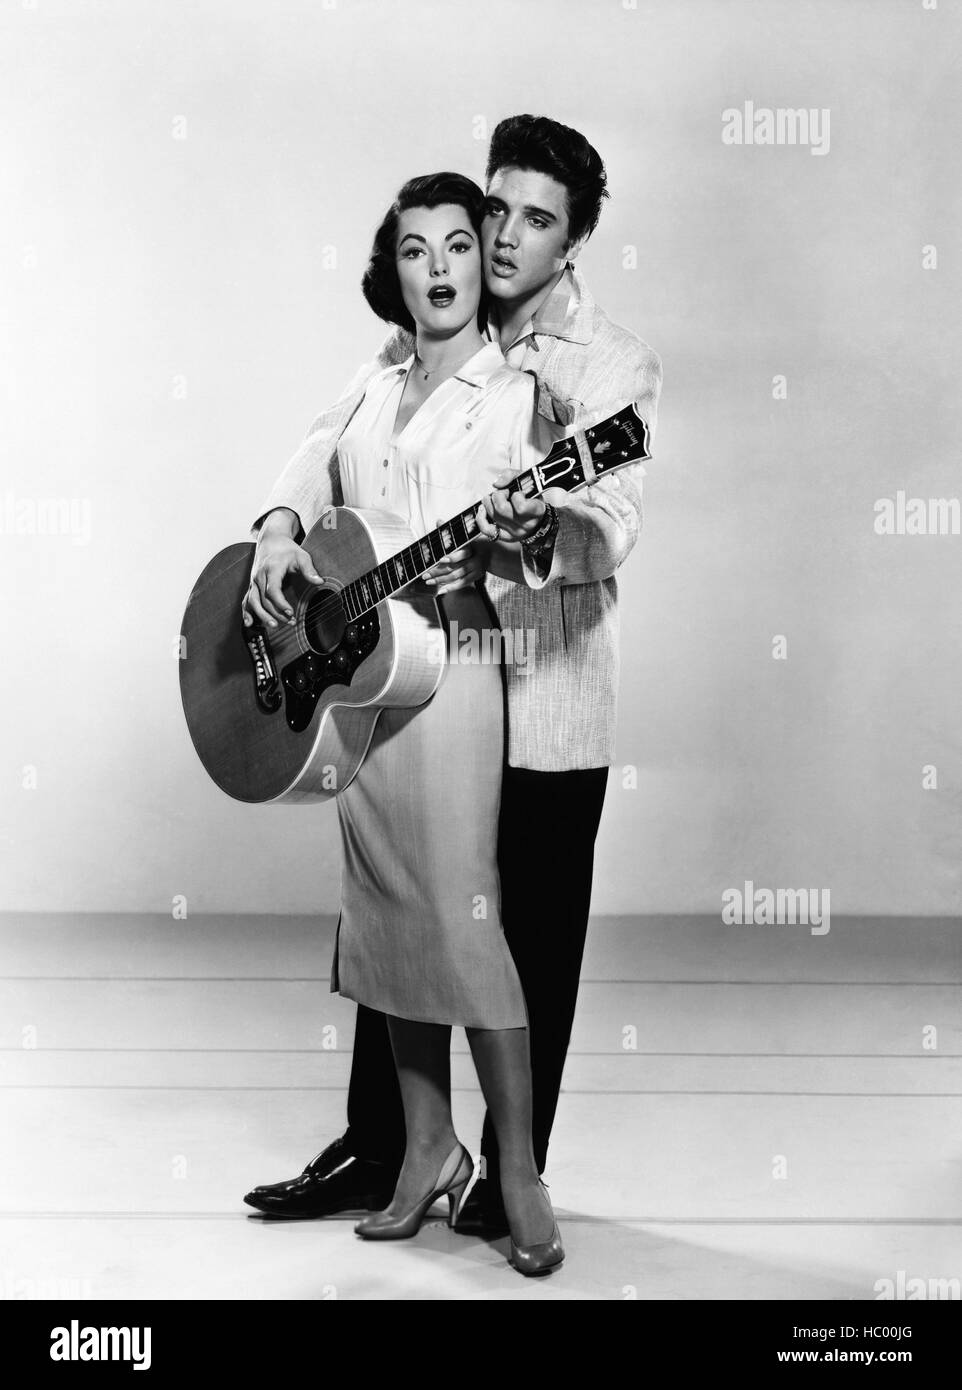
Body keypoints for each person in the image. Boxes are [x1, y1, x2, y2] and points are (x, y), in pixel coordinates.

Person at [243, 114, 663, 1234]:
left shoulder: (605, 366)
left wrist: (542, 525)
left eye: (536, 221)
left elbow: (610, 520)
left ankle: (511, 1167)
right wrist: (282, 522)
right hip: (409, 670)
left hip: (543, 683)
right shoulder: (414, 346)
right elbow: (322, 438)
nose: (504, 237)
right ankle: (390, 1145)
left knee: (520, 930)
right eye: (495, 213)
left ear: (571, 242)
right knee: (398, 903)